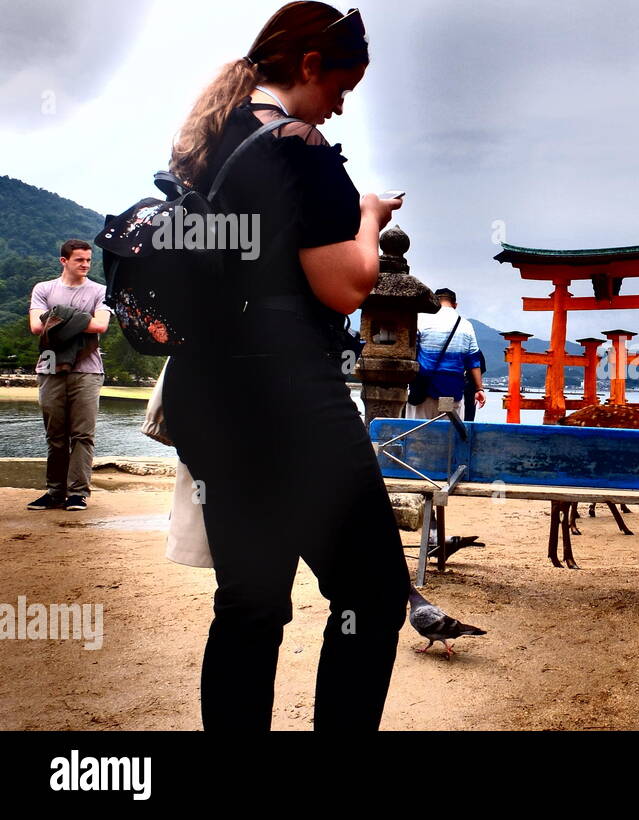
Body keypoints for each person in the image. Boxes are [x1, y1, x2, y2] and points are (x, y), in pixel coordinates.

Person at [160, 2, 410, 730]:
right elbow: (348, 284)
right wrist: (367, 216)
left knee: (252, 601)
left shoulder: (213, 140)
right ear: (308, 66)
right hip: (289, 393)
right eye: (342, 85)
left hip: (209, 394)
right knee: (370, 590)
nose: (339, 105)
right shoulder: (299, 145)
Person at [26, 239, 111, 512]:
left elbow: (100, 325)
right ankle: (54, 492)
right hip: (50, 365)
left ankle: (77, 494)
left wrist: (59, 316)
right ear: (64, 261)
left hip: (87, 368)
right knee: (56, 436)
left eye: (88, 260)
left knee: (83, 435)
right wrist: (79, 318)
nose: (86, 265)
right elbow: (36, 328)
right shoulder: (44, 289)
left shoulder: (100, 290)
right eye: (80, 260)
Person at [406, 288, 486, 419]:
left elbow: (410, 350)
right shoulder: (466, 325)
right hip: (452, 391)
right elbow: (474, 361)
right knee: (449, 436)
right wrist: (479, 389)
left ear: (434, 301)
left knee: (418, 435)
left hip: (423, 390)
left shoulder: (421, 319)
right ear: (455, 304)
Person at [462, 348, 488, 421]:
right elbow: (480, 368)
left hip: (443, 390)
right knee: (467, 420)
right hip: (470, 391)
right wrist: (478, 389)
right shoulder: (473, 350)